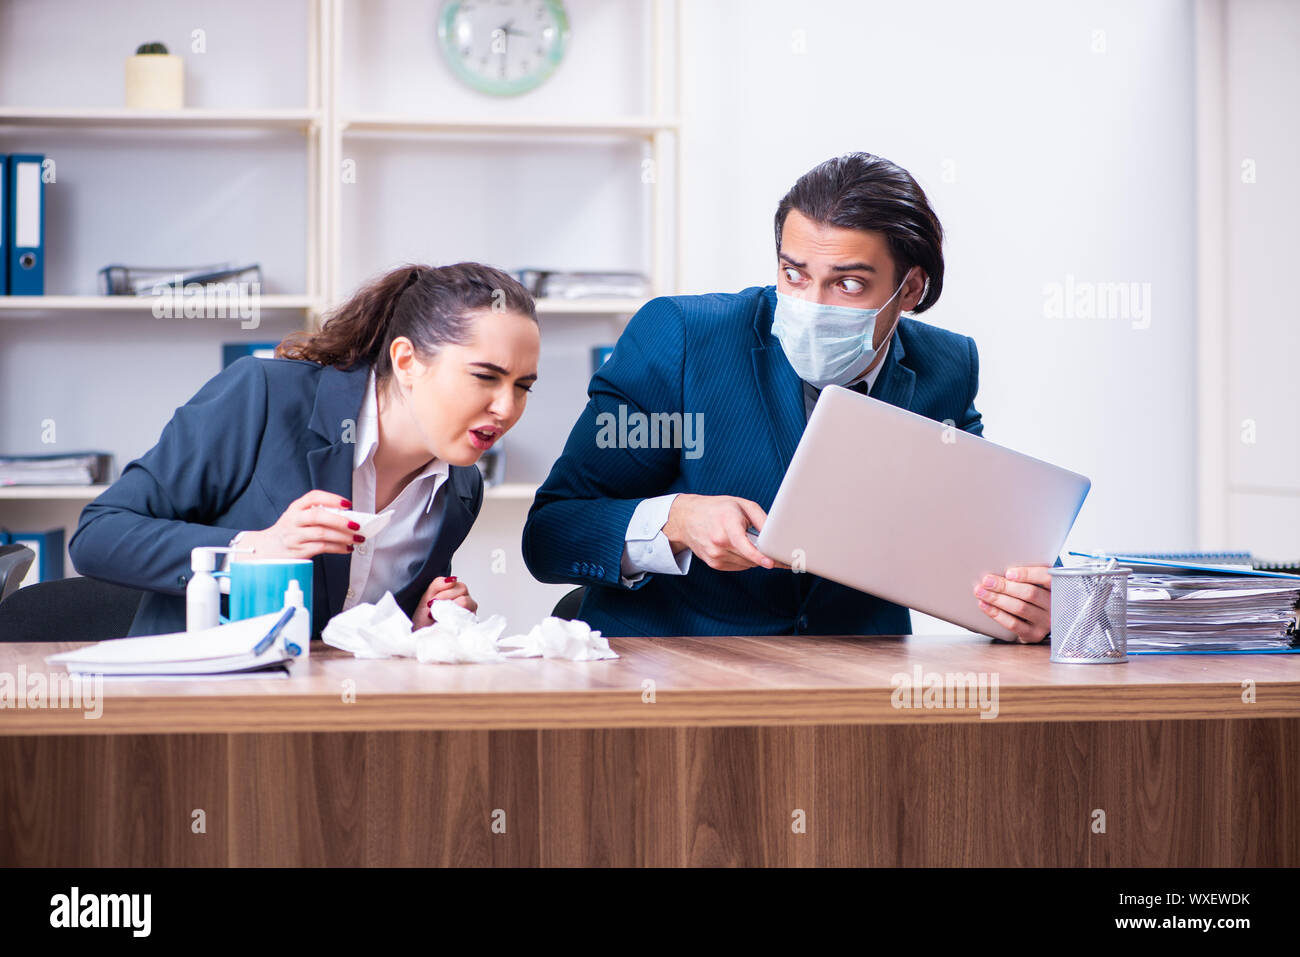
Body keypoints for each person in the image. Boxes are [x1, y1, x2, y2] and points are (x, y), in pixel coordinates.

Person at [522, 152, 1054, 642]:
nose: (811, 303)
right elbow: (552, 533)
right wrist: (675, 522)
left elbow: (971, 546)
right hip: (677, 672)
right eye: (794, 274)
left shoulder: (946, 368)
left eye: (847, 285)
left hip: (856, 681)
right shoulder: (685, 341)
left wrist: (1030, 606)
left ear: (909, 290)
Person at [70, 262, 540, 639]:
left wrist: (418, 631)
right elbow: (99, 536)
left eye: (523, 387)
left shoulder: (460, 487)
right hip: (194, 712)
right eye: (486, 377)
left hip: (327, 729)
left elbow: (346, 632)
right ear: (406, 361)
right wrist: (256, 549)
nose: (506, 408)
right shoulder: (263, 396)